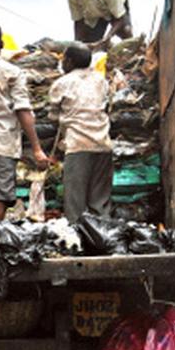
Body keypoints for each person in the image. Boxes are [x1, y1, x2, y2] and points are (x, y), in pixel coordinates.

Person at [0, 22, 50, 220]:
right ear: (2, 44)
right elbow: (23, 110)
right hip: (1, 142)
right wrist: (37, 148)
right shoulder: (12, 72)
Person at [49, 43, 114, 223]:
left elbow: (53, 116)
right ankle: (104, 242)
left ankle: (80, 246)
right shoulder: (100, 81)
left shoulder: (61, 83)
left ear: (69, 61)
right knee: (100, 204)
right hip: (103, 145)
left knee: (75, 207)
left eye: (63, 59)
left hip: (78, 147)